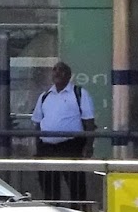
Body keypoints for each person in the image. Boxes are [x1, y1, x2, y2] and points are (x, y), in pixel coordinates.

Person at [31, 61, 96, 204]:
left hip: (71, 146)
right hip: (47, 147)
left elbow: (89, 122)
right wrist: (37, 147)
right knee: (49, 186)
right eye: (55, 70)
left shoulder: (79, 93)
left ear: (69, 75)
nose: (57, 73)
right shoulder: (45, 96)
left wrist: (89, 145)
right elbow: (37, 123)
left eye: (61, 70)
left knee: (76, 186)